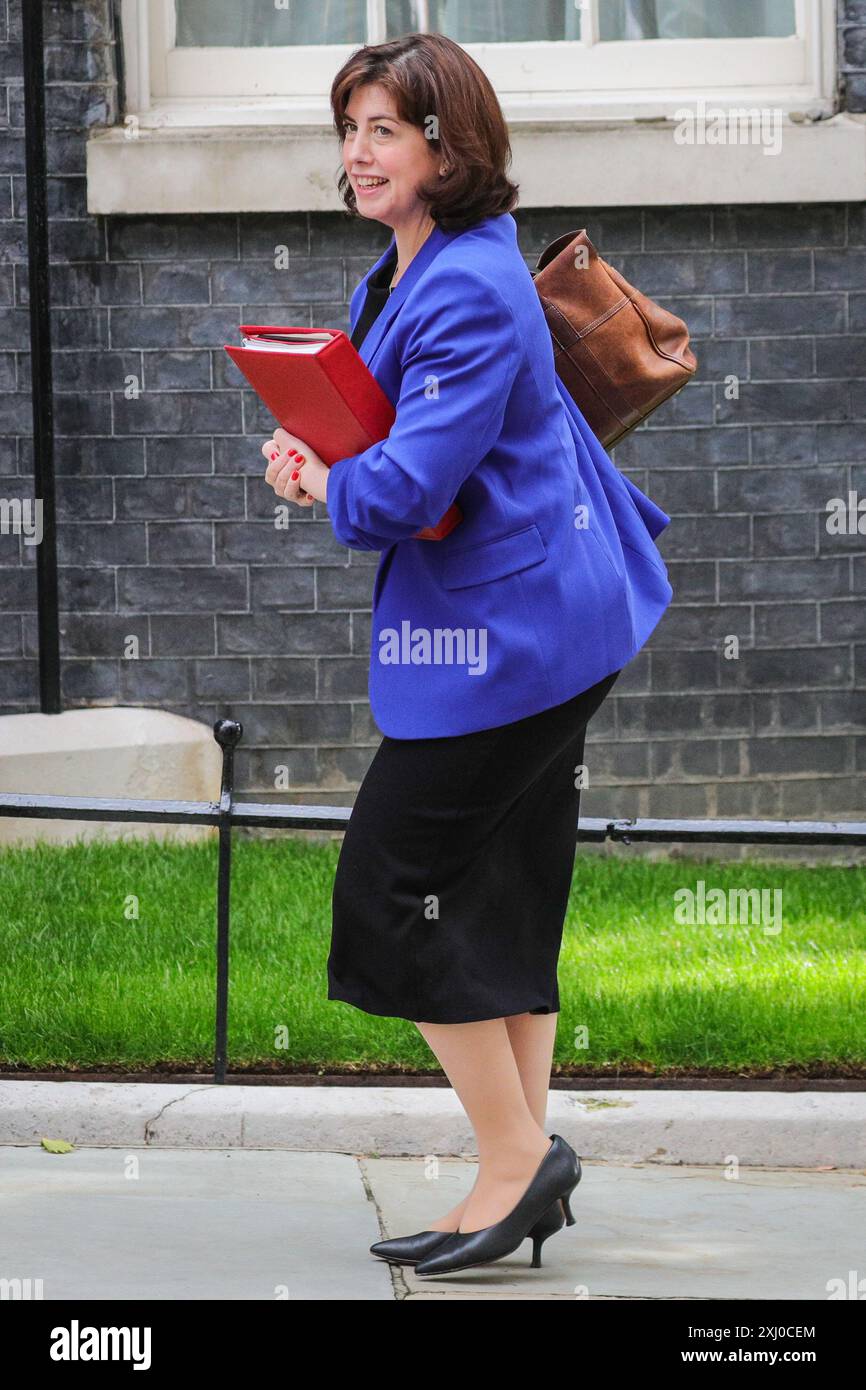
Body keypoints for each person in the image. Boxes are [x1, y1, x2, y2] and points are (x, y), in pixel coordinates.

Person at [261, 31, 673, 1279]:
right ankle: (510, 1179)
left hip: (523, 636)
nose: (358, 152)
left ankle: (516, 1163)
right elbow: (383, 437)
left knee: (391, 886)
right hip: (527, 622)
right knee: (500, 889)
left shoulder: (469, 287)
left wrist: (325, 486)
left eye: (384, 129)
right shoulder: (402, 270)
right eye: (350, 129)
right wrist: (318, 453)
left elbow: (408, 485)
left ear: (449, 146)